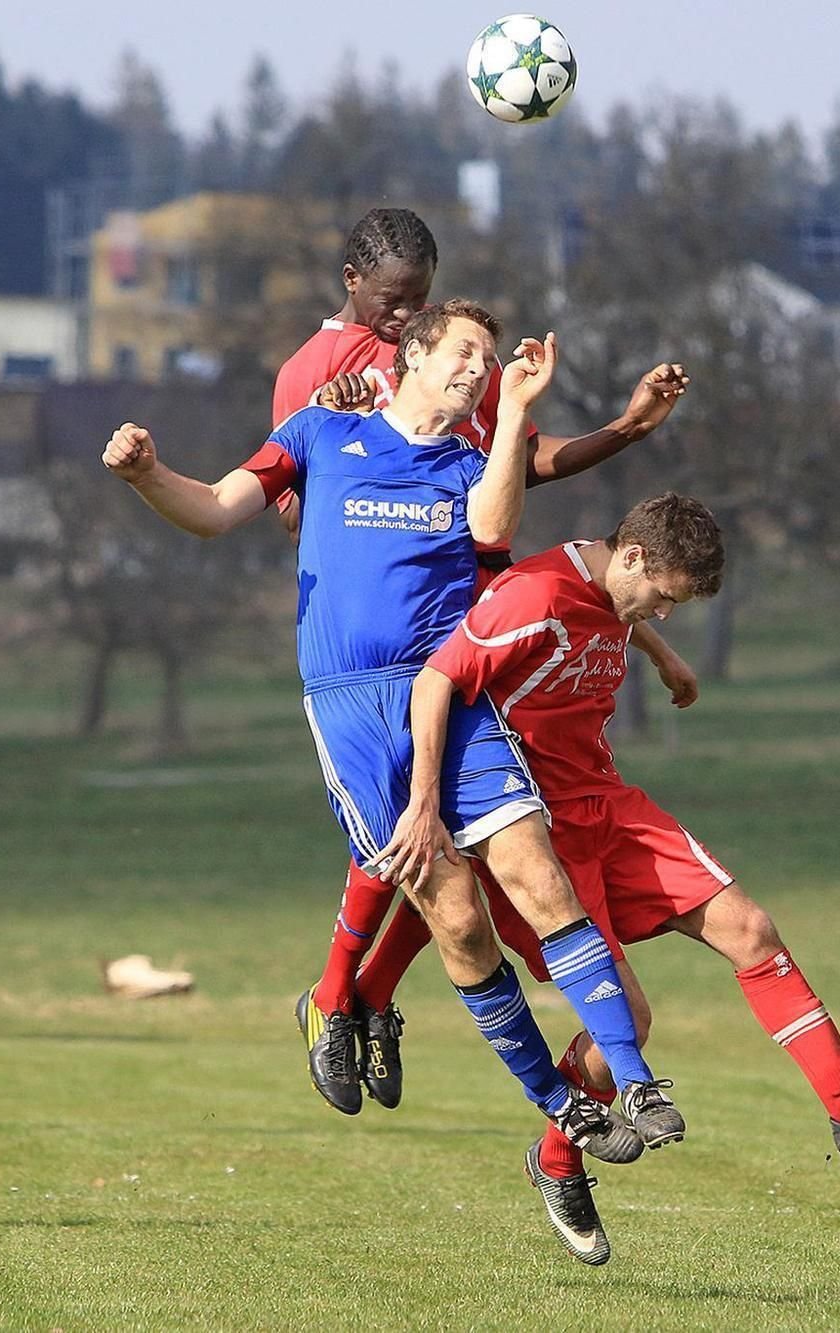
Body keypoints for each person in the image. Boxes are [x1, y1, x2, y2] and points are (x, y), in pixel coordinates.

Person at [103, 299, 683, 1164]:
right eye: (464, 351)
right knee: (457, 920)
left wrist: (519, 406)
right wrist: (148, 474)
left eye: (487, 360)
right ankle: (562, 1105)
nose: (476, 368)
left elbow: (492, 530)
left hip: (453, 693)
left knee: (536, 872)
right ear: (412, 354)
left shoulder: (470, 463)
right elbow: (219, 508)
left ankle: (634, 1079)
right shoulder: (318, 434)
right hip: (353, 709)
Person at [380, 494, 840, 1265]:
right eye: (666, 599)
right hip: (537, 836)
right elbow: (439, 679)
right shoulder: (532, 597)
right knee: (631, 1024)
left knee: (751, 928)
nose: (667, 611)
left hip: (610, 805)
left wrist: (658, 651)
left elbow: (610, 603)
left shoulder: (614, 576)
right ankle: (556, 1158)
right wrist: (424, 803)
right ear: (637, 560)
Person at [274, 207, 696, 1116]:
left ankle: (369, 999)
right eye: (393, 305)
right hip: (377, 650)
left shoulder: (462, 373)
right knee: (418, 850)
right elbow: (291, 492)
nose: (402, 320)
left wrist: (625, 429)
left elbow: (528, 473)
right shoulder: (318, 375)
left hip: (475, 627)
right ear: (352, 282)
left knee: (488, 855)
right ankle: (338, 998)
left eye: (417, 304)